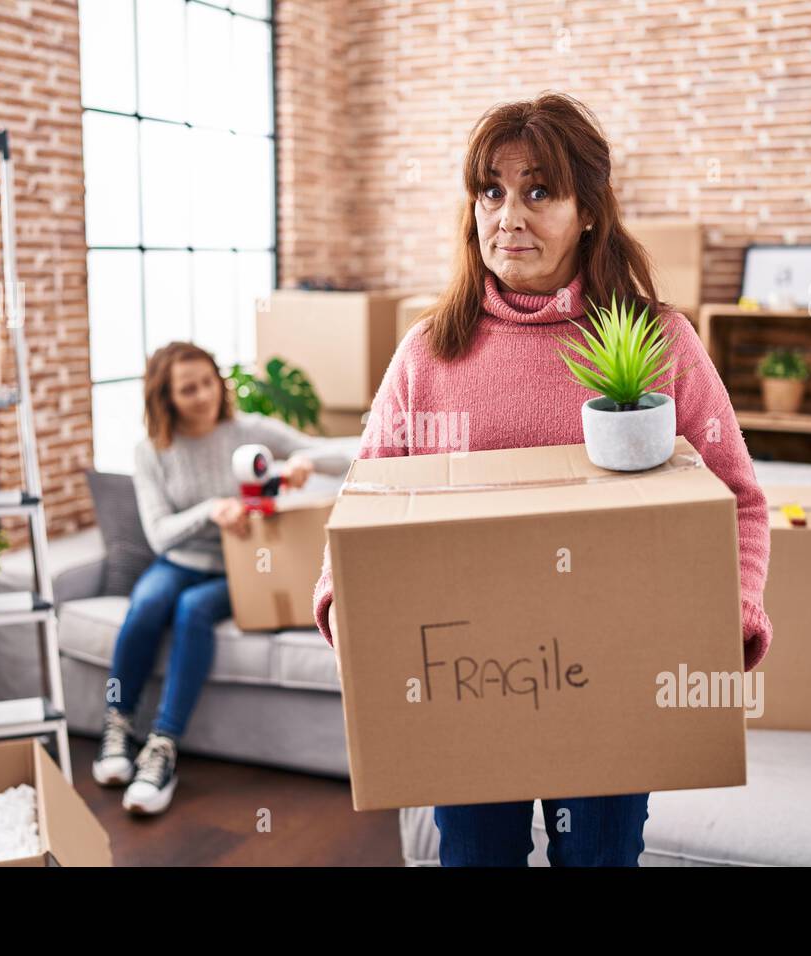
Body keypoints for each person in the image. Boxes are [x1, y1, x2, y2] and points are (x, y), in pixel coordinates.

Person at [313, 92, 774, 866]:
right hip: (466, 685)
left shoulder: (659, 341)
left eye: (539, 191)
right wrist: (346, 611)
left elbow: (739, 499)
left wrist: (729, 616)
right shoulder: (428, 353)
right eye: (491, 191)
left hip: (617, 689)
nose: (509, 215)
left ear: (588, 211)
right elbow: (365, 505)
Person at [94, 341, 351, 815]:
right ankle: (118, 724)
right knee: (147, 605)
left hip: (240, 571)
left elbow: (343, 450)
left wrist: (306, 464)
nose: (202, 396)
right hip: (177, 561)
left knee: (191, 612)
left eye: (208, 382)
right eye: (187, 389)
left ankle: (163, 747)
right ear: (165, 397)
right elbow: (158, 535)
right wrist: (211, 511)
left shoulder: (247, 430)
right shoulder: (151, 451)